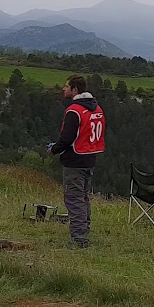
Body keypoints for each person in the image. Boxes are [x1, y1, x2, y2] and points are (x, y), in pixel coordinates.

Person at [48, 74, 105, 248]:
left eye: (66, 86)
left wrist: (54, 149)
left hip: (75, 160)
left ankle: (79, 239)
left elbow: (66, 138)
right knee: (84, 197)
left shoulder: (74, 110)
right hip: (90, 158)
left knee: (74, 199)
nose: (63, 89)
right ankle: (84, 231)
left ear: (75, 90)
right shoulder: (97, 109)